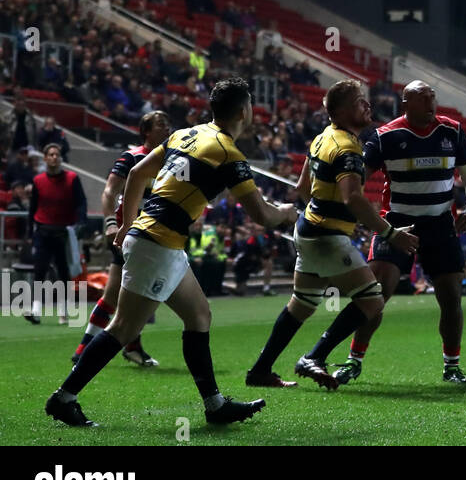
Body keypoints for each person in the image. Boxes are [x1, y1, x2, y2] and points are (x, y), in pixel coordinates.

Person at [44, 77, 299, 428]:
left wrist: (126, 225)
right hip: (158, 244)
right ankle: (64, 398)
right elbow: (261, 215)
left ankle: (215, 405)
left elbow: (136, 174)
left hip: (160, 241)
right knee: (122, 327)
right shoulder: (228, 153)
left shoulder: (186, 134)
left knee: (199, 316)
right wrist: (286, 213)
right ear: (244, 111)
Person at [246, 80, 416, 390]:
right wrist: (390, 233)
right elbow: (352, 198)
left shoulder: (321, 139)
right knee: (373, 301)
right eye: (358, 101)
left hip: (308, 231)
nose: (366, 105)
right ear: (340, 111)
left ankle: (260, 370)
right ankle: (314, 357)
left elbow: (302, 189)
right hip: (327, 236)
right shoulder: (348, 148)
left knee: (302, 305)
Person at [333, 79, 466, 387]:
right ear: (405, 105)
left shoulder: (451, 131)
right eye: (423, 99)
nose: (431, 104)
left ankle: (452, 366)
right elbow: (357, 178)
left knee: (452, 297)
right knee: (376, 292)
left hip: (441, 223)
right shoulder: (385, 137)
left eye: (433, 97)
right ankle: (353, 360)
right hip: (398, 223)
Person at [71, 111, 171, 366]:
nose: (166, 127)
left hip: (155, 235)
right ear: (146, 131)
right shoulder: (132, 156)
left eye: (167, 123)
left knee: (131, 295)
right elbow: (109, 190)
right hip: (131, 233)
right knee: (121, 295)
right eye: (160, 124)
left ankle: (125, 347)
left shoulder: (170, 161)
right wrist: (110, 223)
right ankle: (86, 349)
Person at [24, 143, 87, 324]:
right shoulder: (38, 181)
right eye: (50, 154)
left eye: (56, 154)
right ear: (45, 158)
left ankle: (63, 311)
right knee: (40, 270)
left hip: (64, 232)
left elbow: (81, 202)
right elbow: (33, 207)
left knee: (63, 272)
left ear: (60, 158)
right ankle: (35, 309)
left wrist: (81, 222)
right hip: (43, 230)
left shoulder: (72, 178)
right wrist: (29, 232)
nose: (54, 157)